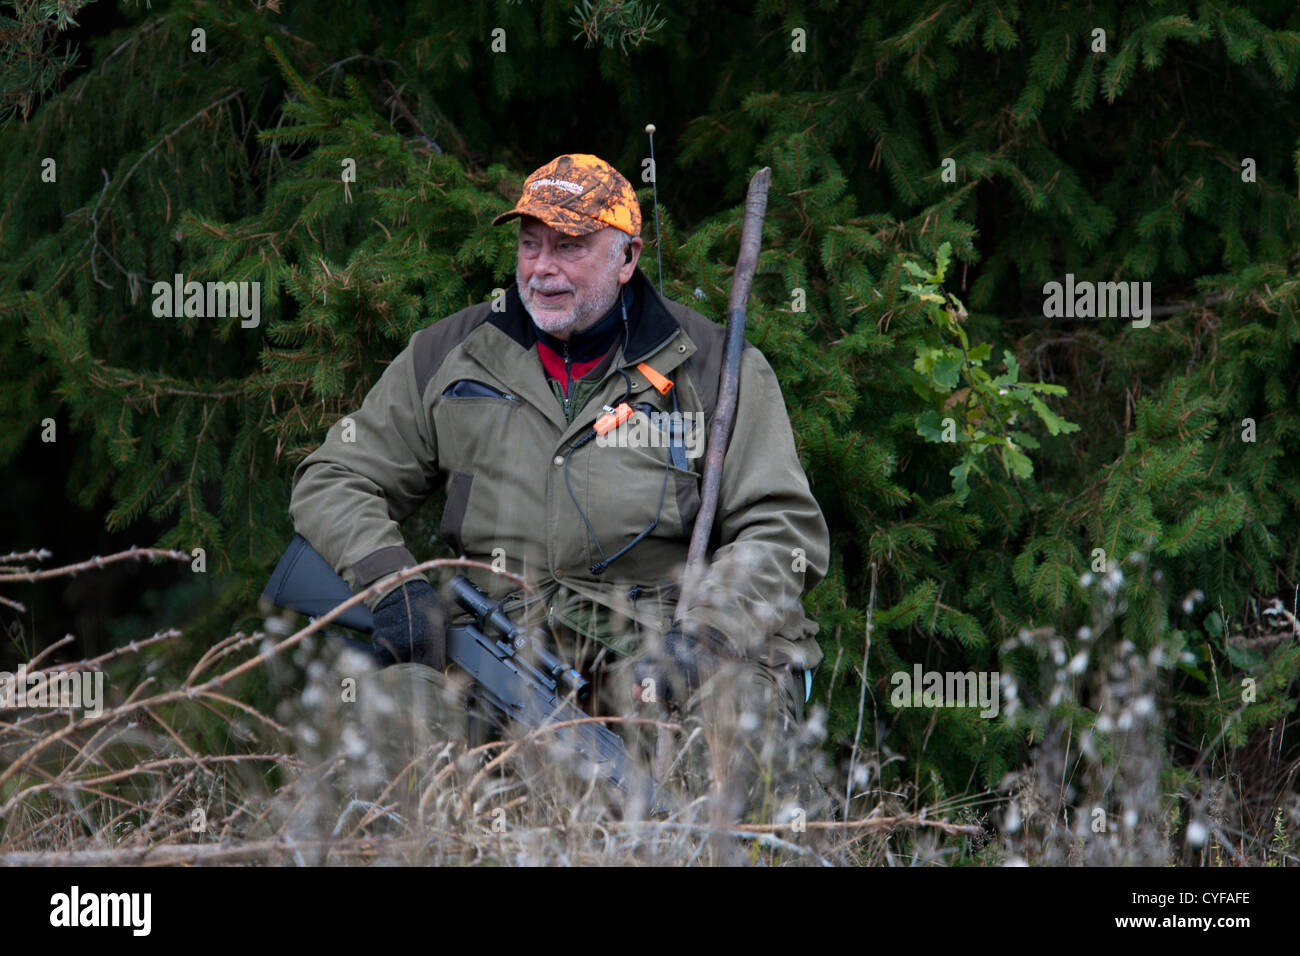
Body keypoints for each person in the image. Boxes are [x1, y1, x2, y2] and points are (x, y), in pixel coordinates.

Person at [288, 153, 830, 817]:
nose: (541, 269)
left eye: (570, 246)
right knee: (395, 714)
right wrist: (392, 583)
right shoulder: (450, 353)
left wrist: (704, 641)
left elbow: (782, 529)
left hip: (657, 656)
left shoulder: (715, 367)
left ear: (627, 258)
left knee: (736, 718)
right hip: (494, 648)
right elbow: (335, 476)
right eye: (529, 244)